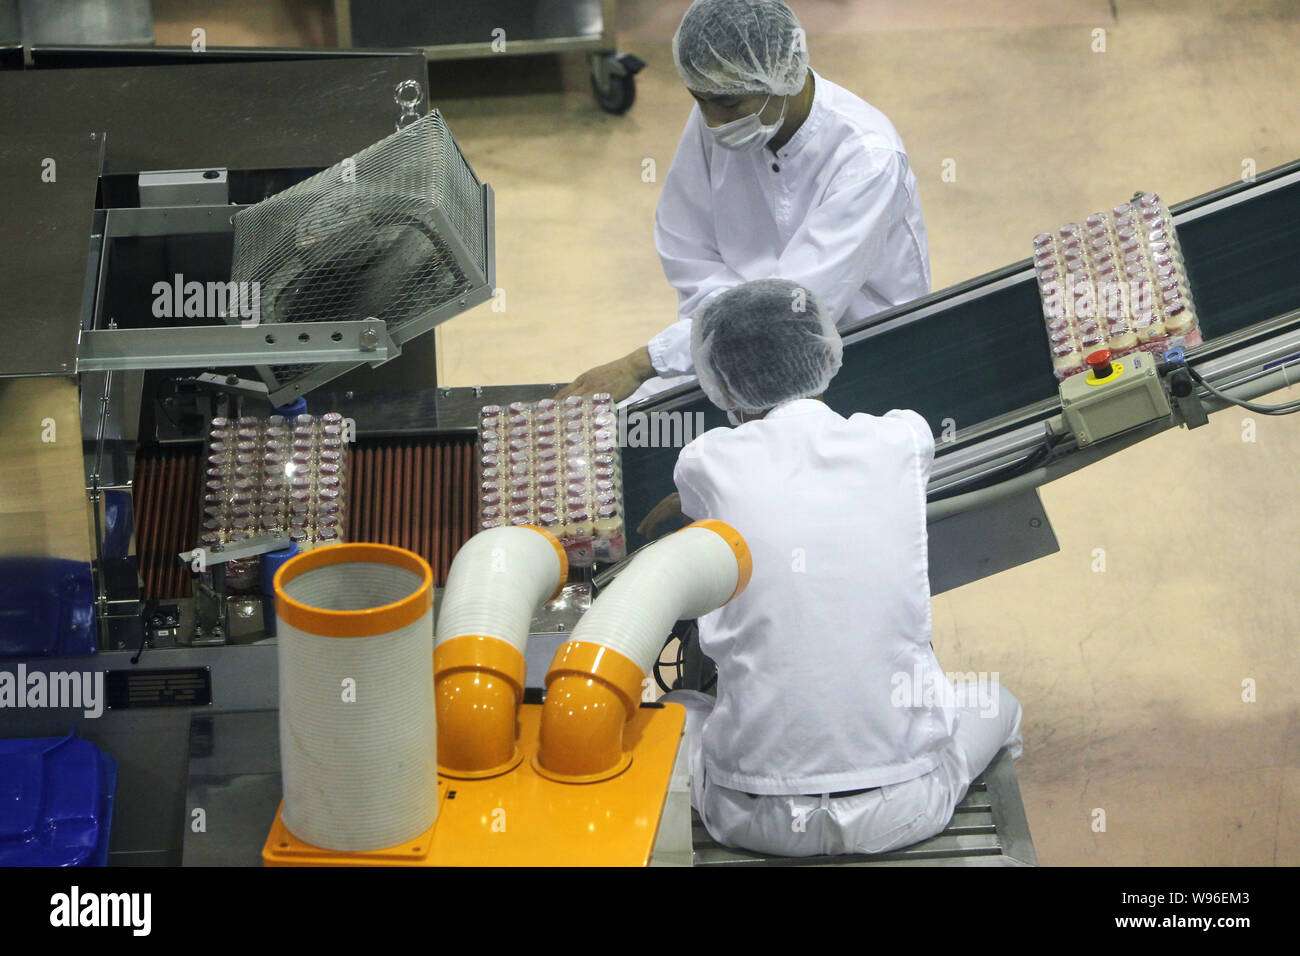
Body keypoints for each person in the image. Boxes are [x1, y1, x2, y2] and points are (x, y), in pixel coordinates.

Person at [641, 279, 1023, 858]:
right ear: (826, 352)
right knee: (998, 701)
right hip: (906, 806)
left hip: (748, 815)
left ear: (719, 383)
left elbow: (708, 505)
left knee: (677, 708)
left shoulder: (704, 460)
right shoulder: (902, 437)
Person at [557, 0, 930, 405]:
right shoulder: (723, 113)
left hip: (856, 350)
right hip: (732, 342)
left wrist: (644, 362)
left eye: (729, 104)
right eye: (700, 101)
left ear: (784, 75)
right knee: (637, 425)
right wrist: (717, 337)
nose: (713, 122)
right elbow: (685, 242)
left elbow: (796, 304)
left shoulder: (866, 158)